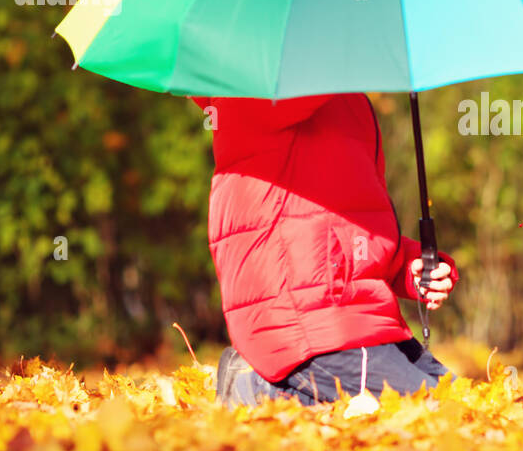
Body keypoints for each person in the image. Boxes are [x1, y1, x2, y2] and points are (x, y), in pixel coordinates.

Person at [194, 93, 458, 408]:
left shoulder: (350, 101)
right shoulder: (259, 85)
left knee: (458, 398)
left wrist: (408, 267)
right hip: (311, 321)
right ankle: (263, 389)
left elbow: (354, 224)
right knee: (437, 411)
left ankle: (277, 389)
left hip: (360, 320)